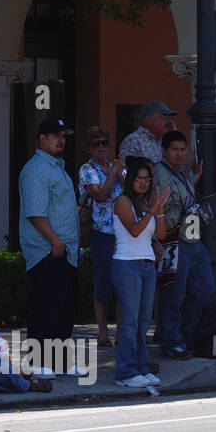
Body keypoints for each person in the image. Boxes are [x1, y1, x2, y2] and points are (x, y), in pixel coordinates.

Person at [19, 118, 81, 376]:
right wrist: (55, 243)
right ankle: (34, 363)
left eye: (64, 135)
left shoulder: (58, 168)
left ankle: (60, 362)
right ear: (41, 138)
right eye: (56, 135)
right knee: (45, 309)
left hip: (66, 251)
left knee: (65, 311)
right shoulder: (37, 169)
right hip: (47, 251)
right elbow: (35, 212)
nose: (62, 140)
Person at [152, 130, 214, 360]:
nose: (179, 154)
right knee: (174, 294)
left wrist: (195, 177)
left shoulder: (179, 174)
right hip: (174, 238)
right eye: (174, 150)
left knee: (204, 288)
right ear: (164, 150)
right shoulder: (159, 173)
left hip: (193, 237)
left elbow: (184, 192)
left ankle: (185, 337)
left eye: (182, 149)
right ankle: (171, 341)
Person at [112, 158, 170, 388]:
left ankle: (140, 367)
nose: (144, 183)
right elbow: (134, 231)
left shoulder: (147, 203)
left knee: (144, 321)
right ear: (130, 179)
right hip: (126, 265)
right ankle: (125, 372)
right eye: (139, 178)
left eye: (147, 179)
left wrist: (160, 210)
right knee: (129, 321)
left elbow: (162, 235)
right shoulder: (122, 201)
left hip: (147, 266)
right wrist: (152, 210)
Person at [78, 126, 124, 346]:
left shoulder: (115, 167)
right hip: (101, 232)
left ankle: (121, 333)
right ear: (89, 148)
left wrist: (121, 172)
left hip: (122, 232)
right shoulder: (88, 169)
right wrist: (113, 173)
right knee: (103, 283)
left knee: (122, 284)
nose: (101, 148)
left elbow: (133, 192)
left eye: (104, 143)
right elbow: (99, 195)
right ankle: (103, 332)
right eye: (96, 144)